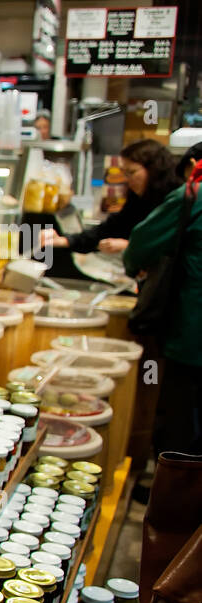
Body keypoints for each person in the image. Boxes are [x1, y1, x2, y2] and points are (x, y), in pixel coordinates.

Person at [122, 158, 202, 455]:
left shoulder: (191, 197)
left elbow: (140, 246)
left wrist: (136, 267)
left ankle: (173, 492)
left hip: (192, 331)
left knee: (181, 416)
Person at [40, 140, 181, 256]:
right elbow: (114, 227)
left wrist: (128, 245)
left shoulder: (176, 199)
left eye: (131, 172)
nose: (127, 179)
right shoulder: (139, 197)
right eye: (124, 173)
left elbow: (171, 243)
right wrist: (66, 241)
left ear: (154, 169)